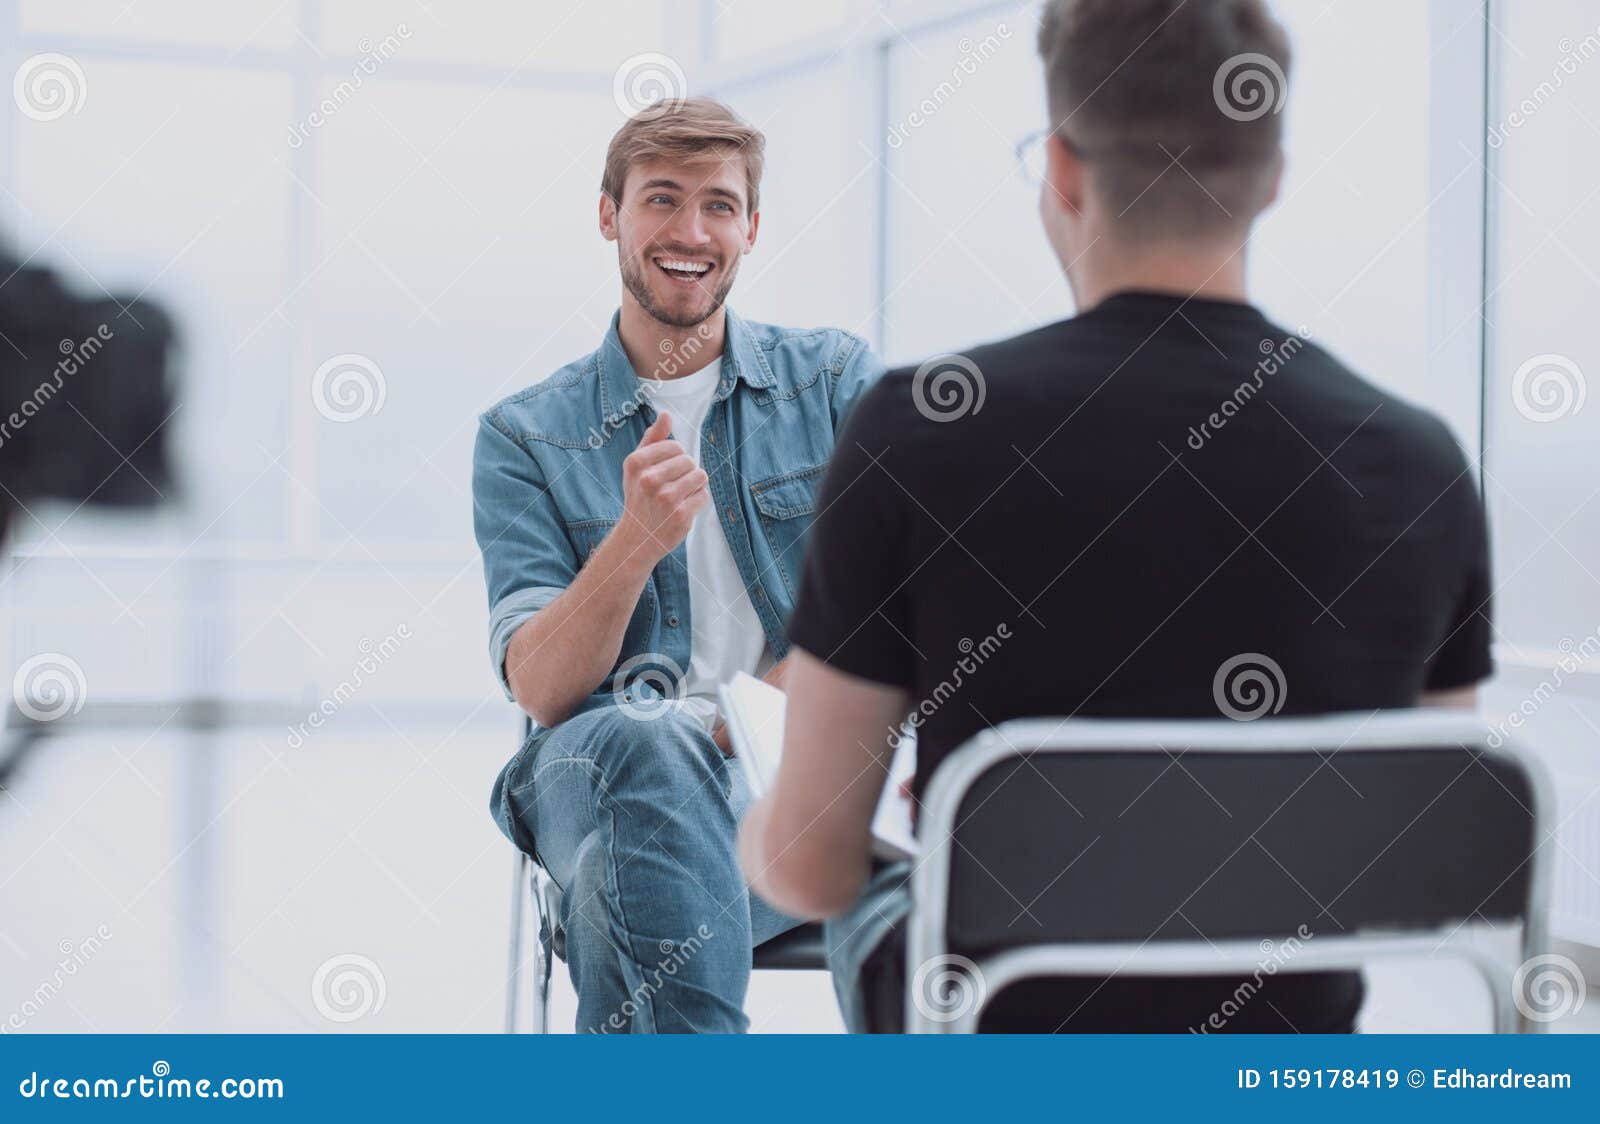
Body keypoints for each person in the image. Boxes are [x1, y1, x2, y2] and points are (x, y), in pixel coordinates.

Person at [739, 0, 1491, 1033]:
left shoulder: (919, 426)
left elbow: (809, 868)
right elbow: (1426, 847)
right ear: (1270, 179)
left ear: (1059, 169)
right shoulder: (1417, 459)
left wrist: (966, 834)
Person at [472, 97, 884, 1033]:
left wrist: (751, 720)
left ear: (751, 227)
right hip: (604, 769)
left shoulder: (832, 383)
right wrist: (635, 541)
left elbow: (901, 604)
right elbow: (541, 686)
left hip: (800, 781)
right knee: (650, 748)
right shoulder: (526, 435)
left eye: (719, 205)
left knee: (629, 887)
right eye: (661, 199)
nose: (691, 232)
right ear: (609, 214)